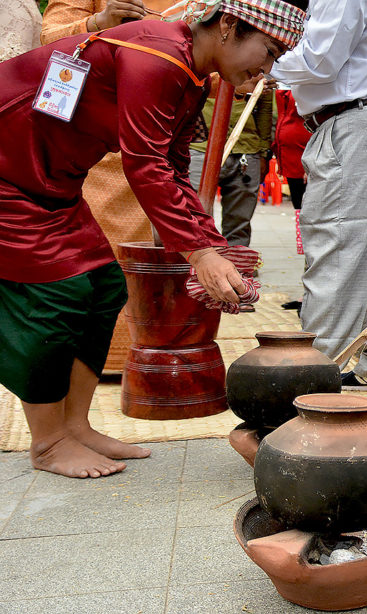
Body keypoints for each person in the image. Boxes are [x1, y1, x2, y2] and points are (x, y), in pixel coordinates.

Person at [0, 0, 307, 479]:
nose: (265, 70)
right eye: (267, 52)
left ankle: (75, 427)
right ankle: (49, 442)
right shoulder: (158, 54)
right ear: (228, 25)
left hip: (51, 183)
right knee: (56, 295)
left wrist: (213, 246)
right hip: (9, 178)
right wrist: (199, 253)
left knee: (106, 287)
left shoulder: (191, 77)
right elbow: (143, 164)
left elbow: (173, 168)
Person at [269, 0, 367, 390]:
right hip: (359, 120)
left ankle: (315, 374)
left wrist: (265, 62)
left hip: (354, 121)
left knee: (337, 249)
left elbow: (320, 60)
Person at [40, 0, 176, 370]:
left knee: (147, 261)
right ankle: (85, 359)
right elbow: (47, 39)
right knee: (90, 258)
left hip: (157, 143)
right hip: (89, 143)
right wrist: (98, 21)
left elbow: (208, 59)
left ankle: (137, 352)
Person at [189, 74, 272, 249]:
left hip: (246, 148)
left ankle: (236, 262)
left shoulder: (260, 66)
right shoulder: (205, 64)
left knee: (239, 222)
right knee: (197, 217)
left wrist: (263, 152)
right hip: (201, 148)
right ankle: (200, 261)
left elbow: (265, 109)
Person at [273, 83, 311, 255]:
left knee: (311, 206)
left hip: (306, 150)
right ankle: (305, 249)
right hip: (288, 154)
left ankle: (312, 250)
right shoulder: (281, 79)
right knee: (298, 203)